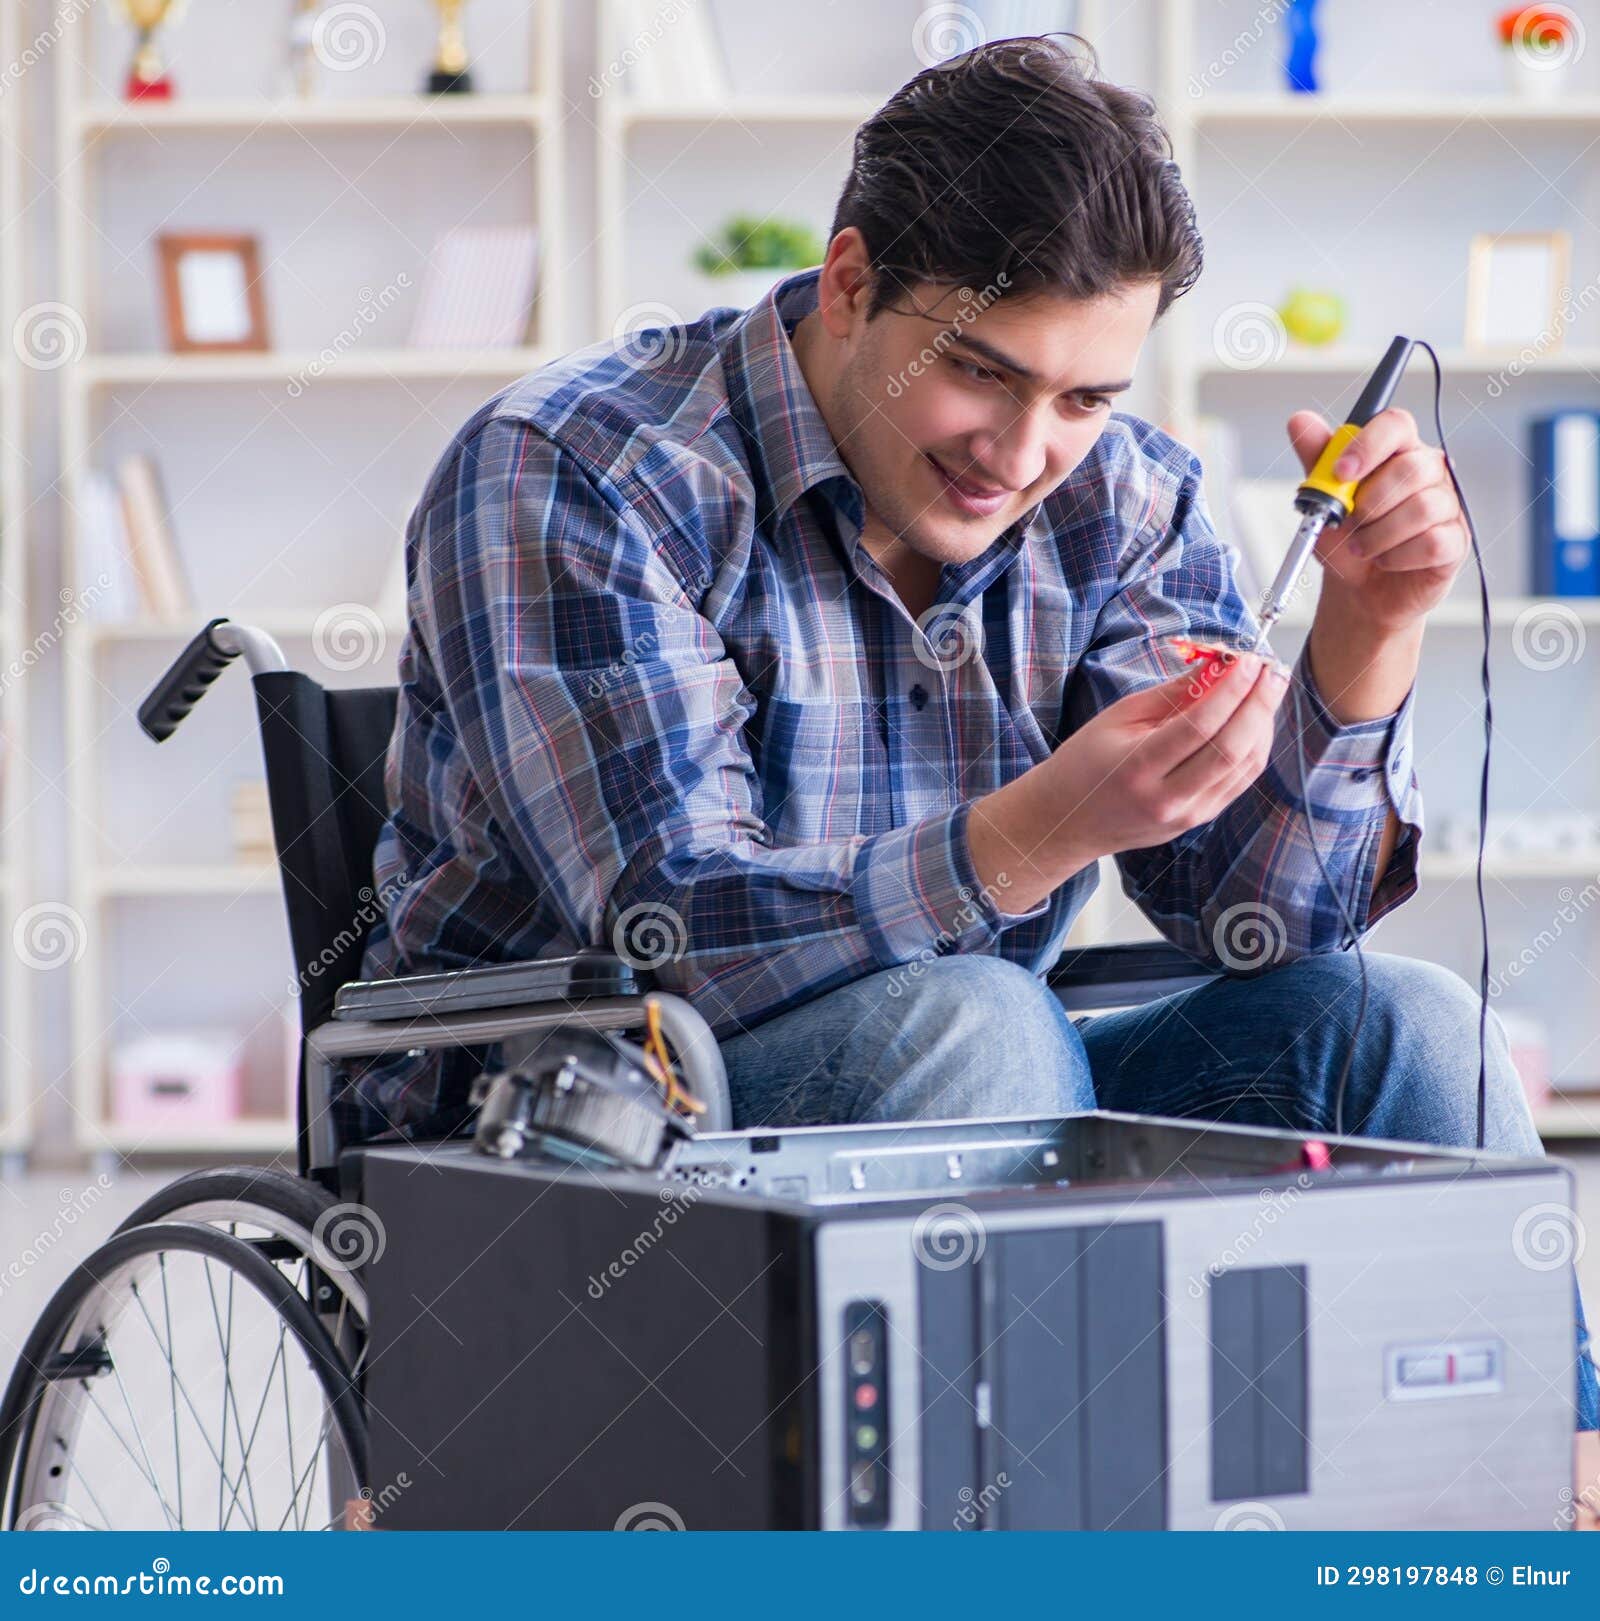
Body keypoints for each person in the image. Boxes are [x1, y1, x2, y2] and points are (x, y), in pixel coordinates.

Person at [352, 35, 1596, 1429]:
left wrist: (1365, 639)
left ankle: (1544, 1499)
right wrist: (1040, 832)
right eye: (979, 373)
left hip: (981, 1102)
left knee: (1405, 1028)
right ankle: (1059, 1521)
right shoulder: (579, 474)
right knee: (985, 1025)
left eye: (1082, 398)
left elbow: (1260, 928)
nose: (1020, 452)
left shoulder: (1122, 499)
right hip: (586, 1127)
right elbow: (666, 936)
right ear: (849, 280)